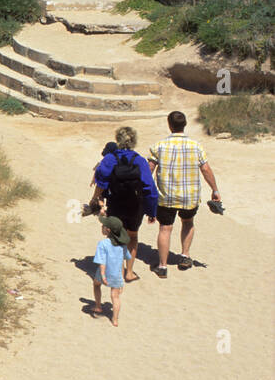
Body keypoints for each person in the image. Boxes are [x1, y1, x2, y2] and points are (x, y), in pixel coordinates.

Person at [147, 111, 220, 277]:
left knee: (165, 228)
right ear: (185, 124)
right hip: (190, 196)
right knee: (187, 223)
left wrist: (144, 191)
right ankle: (185, 256)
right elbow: (206, 169)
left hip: (166, 196)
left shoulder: (159, 146)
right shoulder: (196, 146)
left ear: (169, 125)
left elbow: (149, 169)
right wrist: (215, 190)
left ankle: (163, 266)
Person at [89, 126, 158, 281]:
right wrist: (152, 211)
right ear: (134, 141)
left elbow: (101, 182)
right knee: (132, 237)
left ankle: (119, 271)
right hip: (135, 205)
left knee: (116, 237)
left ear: (118, 140)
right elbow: (149, 187)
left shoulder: (109, 159)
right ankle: (129, 272)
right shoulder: (140, 160)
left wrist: (95, 199)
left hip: (116, 204)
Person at [93, 215, 131, 326]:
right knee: (115, 296)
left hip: (104, 272)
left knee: (96, 284)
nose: (102, 227)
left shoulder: (103, 244)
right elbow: (123, 261)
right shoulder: (122, 246)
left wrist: (103, 275)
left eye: (103, 226)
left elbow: (102, 261)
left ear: (107, 230)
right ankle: (115, 319)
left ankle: (98, 306)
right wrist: (122, 279)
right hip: (117, 274)